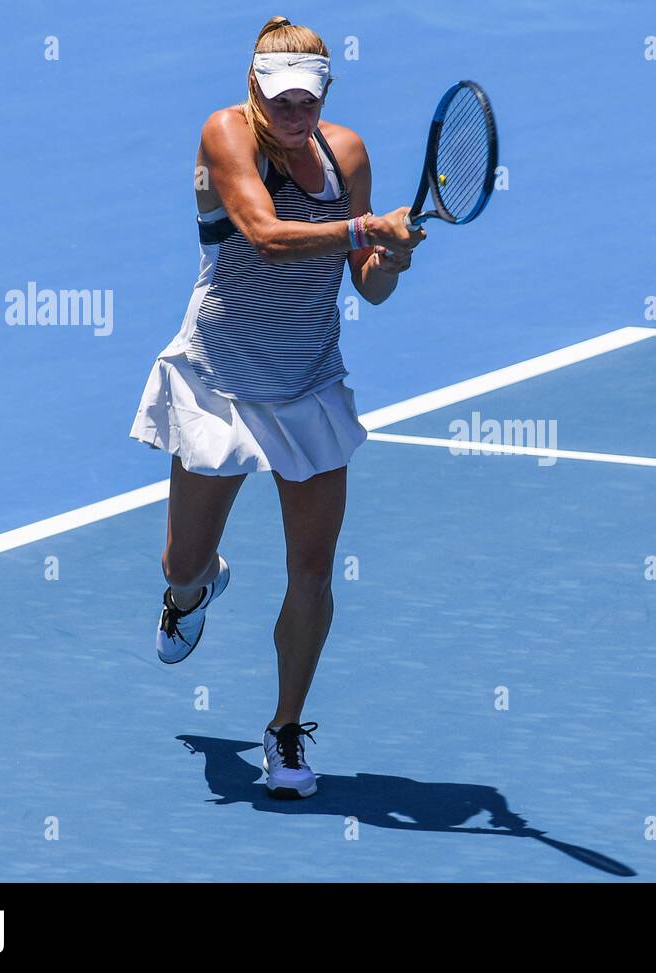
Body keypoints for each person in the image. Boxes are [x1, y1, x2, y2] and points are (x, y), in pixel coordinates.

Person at [129, 15, 424, 799]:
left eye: (308, 98)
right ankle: (192, 591)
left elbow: (368, 283)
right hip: (217, 381)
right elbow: (263, 233)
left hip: (307, 382)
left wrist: (387, 257)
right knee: (181, 563)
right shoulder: (225, 134)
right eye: (280, 96)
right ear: (254, 87)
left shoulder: (347, 152)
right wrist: (363, 226)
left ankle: (286, 729)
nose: (295, 111)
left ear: (325, 92)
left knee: (314, 569)